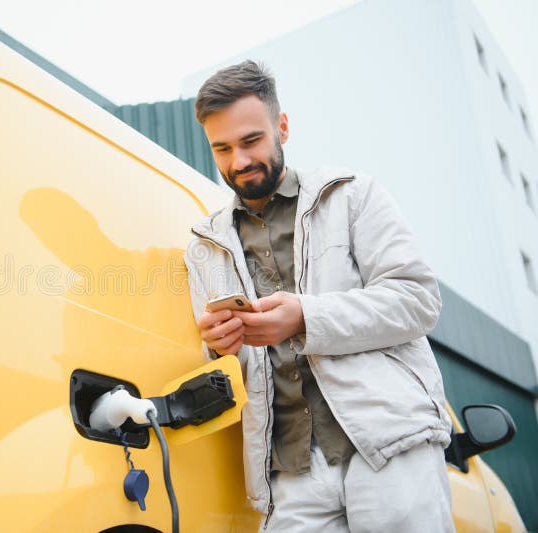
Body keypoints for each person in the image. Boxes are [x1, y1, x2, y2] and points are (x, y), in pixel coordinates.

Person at [184, 60, 454, 532]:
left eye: (251, 141)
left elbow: (417, 299)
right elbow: (231, 374)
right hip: (288, 474)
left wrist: (305, 317)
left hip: (387, 445)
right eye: (222, 149)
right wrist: (218, 346)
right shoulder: (204, 247)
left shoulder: (353, 196)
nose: (239, 162)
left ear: (282, 127)